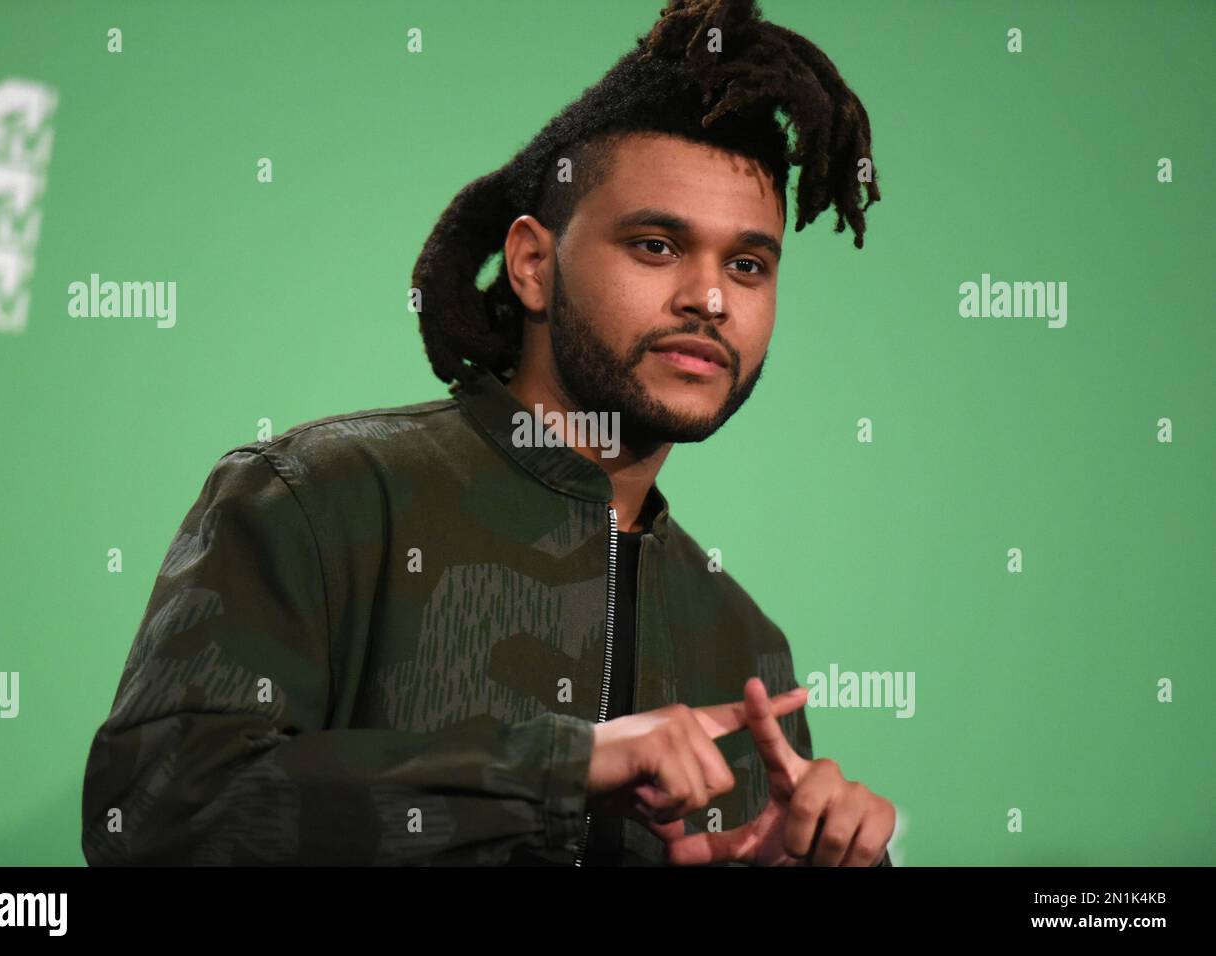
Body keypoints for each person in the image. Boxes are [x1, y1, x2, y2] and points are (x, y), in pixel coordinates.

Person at [81, 0, 894, 867]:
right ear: (533, 264)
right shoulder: (318, 495)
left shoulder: (747, 645)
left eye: (748, 264)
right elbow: (158, 809)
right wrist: (557, 768)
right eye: (657, 245)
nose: (712, 299)